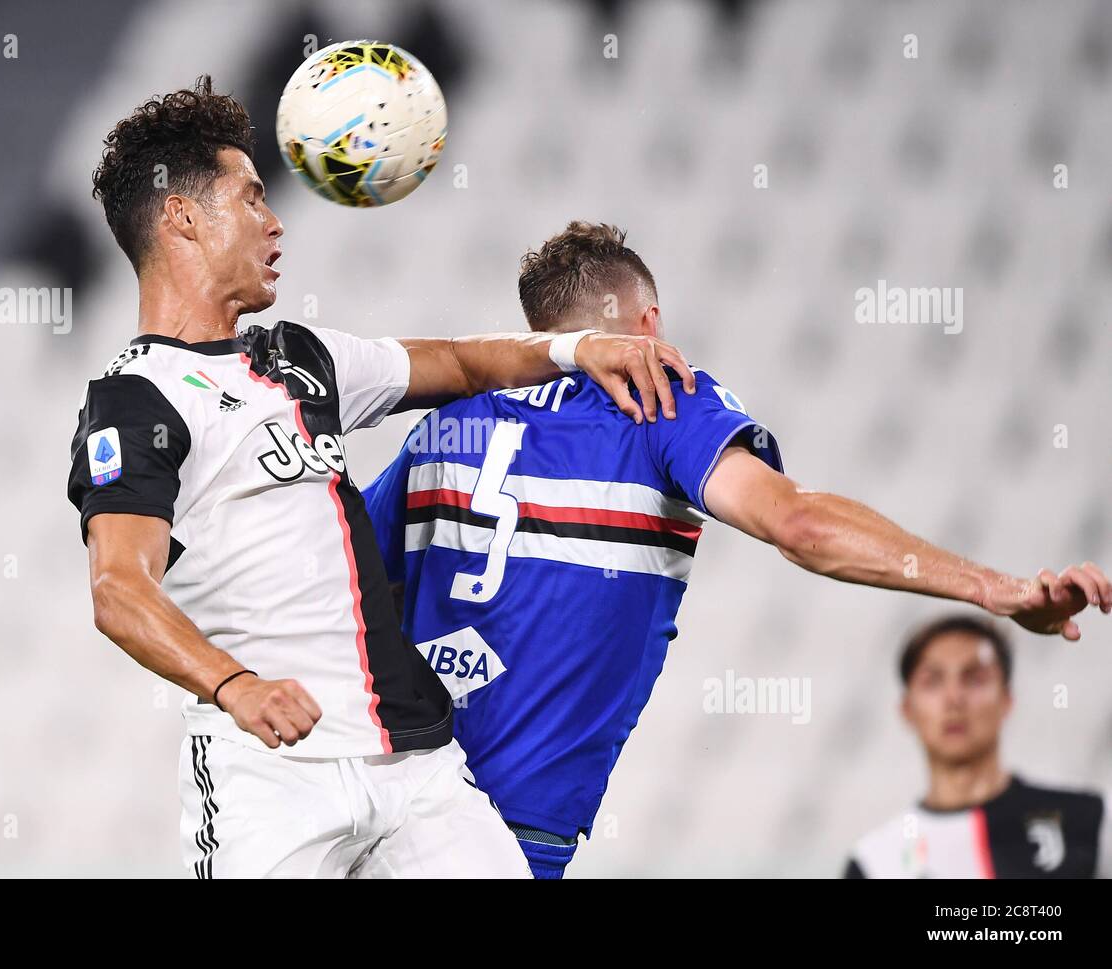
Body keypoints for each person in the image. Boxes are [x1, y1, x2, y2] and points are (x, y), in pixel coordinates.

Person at [67, 81, 693, 878]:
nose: (275, 219)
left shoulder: (302, 358)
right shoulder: (135, 399)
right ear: (182, 216)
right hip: (273, 771)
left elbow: (462, 361)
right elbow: (119, 589)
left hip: (417, 764)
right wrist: (236, 685)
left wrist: (576, 350)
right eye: (252, 196)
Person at [362, 220, 1111, 878]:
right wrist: (994, 588)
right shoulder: (654, 401)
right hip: (505, 829)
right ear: (648, 322)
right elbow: (800, 526)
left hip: (383, 801)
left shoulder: (442, 427)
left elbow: (344, 569)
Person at [844, 615, 1110, 878]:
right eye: (932, 681)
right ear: (906, 709)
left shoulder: (1090, 821)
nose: (954, 699)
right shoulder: (874, 863)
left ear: (1006, 699)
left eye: (974, 679)